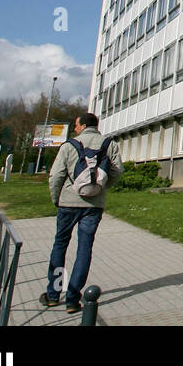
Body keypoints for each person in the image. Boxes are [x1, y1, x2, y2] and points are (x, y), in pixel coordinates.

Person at [41, 113, 122, 312]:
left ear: (83, 125)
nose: (75, 129)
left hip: (68, 202)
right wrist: (101, 188)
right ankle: (72, 298)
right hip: (93, 206)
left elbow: (56, 175)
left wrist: (56, 198)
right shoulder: (109, 144)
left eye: (76, 125)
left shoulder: (69, 145)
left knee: (60, 245)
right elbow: (117, 170)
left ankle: (53, 293)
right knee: (84, 249)